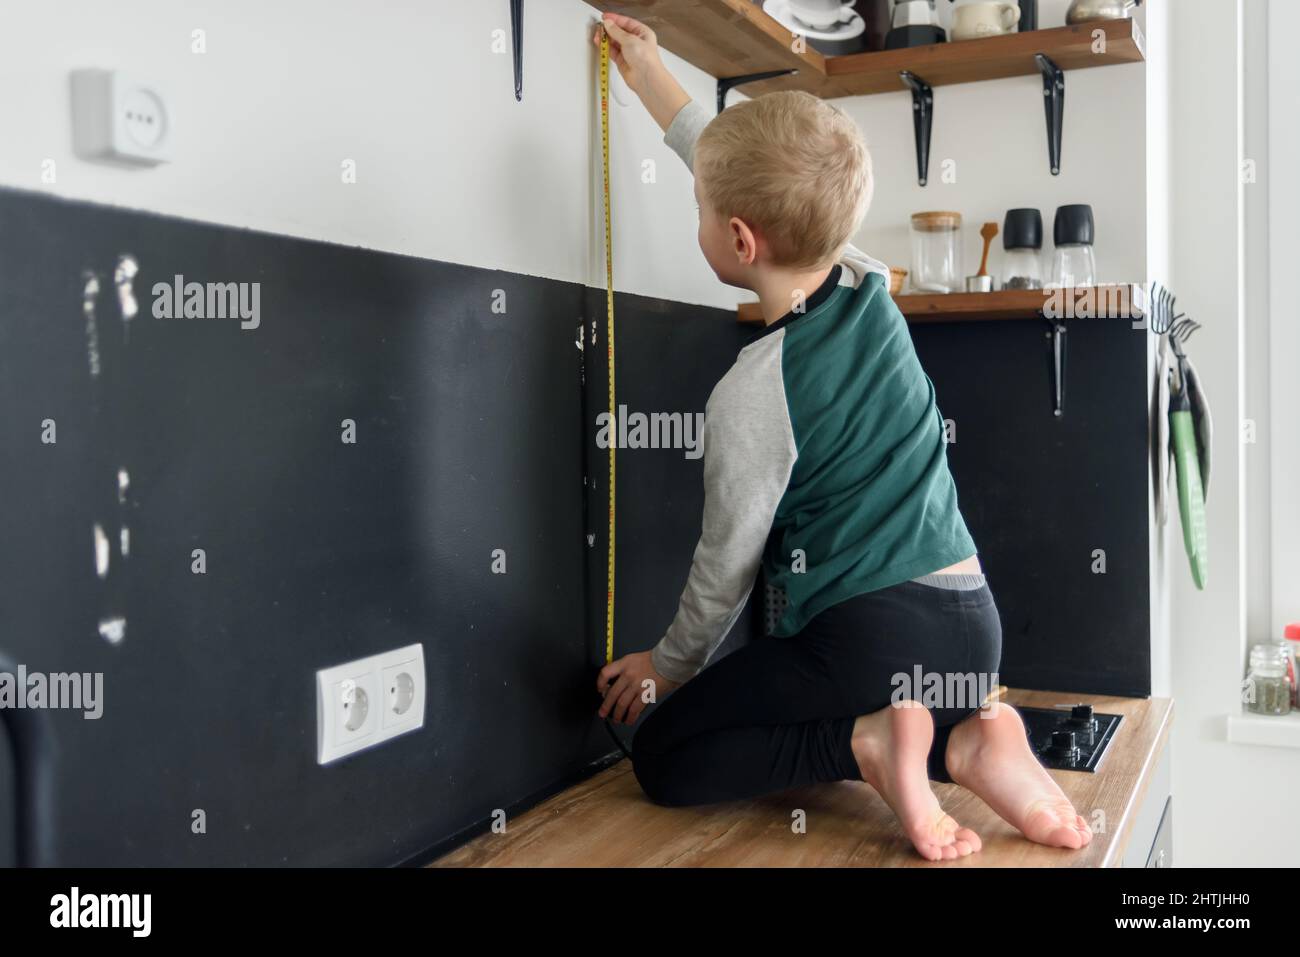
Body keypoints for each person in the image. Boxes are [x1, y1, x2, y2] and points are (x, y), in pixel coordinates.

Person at [593, 13, 1092, 861]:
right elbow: (766, 183)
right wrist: (650, 78)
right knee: (843, 692)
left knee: (665, 756)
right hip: (974, 634)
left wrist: (666, 667)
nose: (703, 215)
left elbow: (725, 567)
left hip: (873, 644)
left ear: (739, 241)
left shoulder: (753, 390)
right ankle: (964, 742)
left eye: (701, 208)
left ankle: (862, 743)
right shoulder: (870, 288)